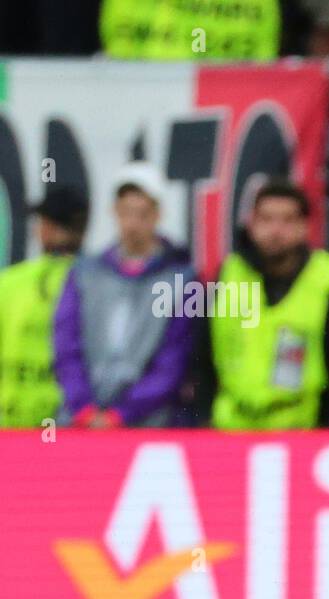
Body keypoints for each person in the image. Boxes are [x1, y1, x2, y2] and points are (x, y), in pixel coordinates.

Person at [189, 179, 329, 430]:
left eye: (287, 220)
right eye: (266, 219)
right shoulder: (228, 275)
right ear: (252, 224)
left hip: (299, 429)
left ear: (305, 227)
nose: (275, 231)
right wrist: (204, 421)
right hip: (229, 427)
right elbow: (202, 358)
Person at [53, 163, 193, 428]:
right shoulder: (84, 274)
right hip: (81, 423)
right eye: (127, 212)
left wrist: (122, 414)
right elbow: (66, 347)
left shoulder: (181, 280)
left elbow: (173, 360)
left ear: (157, 214)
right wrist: (83, 408)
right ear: (114, 211)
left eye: (143, 213)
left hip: (150, 425)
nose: (133, 223)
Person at [0, 188, 89, 428]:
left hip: (10, 423)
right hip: (71, 424)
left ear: (46, 228)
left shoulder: (9, 282)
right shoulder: (95, 285)